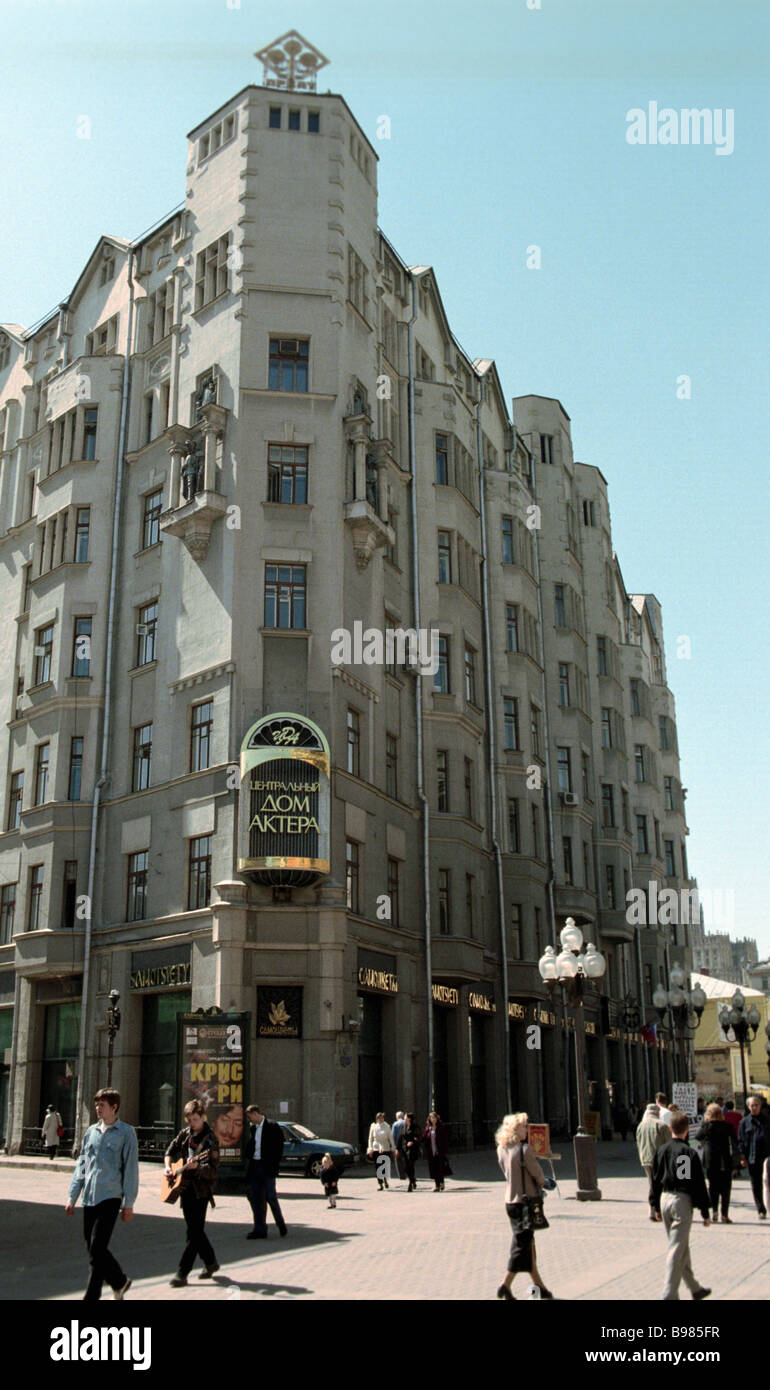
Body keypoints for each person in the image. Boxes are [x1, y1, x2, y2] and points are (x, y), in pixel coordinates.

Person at [65, 1088, 138, 1303]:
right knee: (94, 1249)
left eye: (102, 1105)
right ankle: (118, 1282)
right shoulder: (91, 1133)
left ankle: (93, 1295)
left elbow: (131, 1170)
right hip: (90, 1197)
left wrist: (129, 1203)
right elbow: (82, 1165)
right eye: (97, 1104)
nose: (98, 1108)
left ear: (114, 1107)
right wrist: (72, 1197)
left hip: (111, 1196)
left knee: (97, 1247)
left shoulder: (126, 1133)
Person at [651, 1112, 711, 1301]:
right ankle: (669, 1293)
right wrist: (704, 1209)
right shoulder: (686, 1152)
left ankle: (695, 1288)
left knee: (680, 1246)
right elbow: (693, 1183)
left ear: (670, 1129)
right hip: (680, 1201)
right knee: (677, 1248)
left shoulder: (661, 1150)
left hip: (664, 1198)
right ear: (687, 1130)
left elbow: (655, 1180)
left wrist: (655, 1205)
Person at [495, 1112, 554, 1300]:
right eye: (524, 1126)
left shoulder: (501, 1149)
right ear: (515, 1129)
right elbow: (538, 1176)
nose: (527, 1130)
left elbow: (507, 1173)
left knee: (528, 1244)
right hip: (526, 1202)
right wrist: (548, 1183)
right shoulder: (524, 1150)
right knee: (521, 1245)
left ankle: (540, 1287)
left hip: (510, 1201)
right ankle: (505, 1284)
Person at [164, 1099, 220, 1287]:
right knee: (194, 1230)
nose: (192, 1123)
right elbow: (169, 1151)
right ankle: (211, 1262)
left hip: (201, 1192)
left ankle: (182, 1273)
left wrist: (197, 1168)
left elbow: (213, 1171)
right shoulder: (185, 1134)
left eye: (195, 1119)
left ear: (202, 1117)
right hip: (184, 1189)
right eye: (189, 1120)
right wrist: (168, 1168)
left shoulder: (211, 1140)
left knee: (194, 1233)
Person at [243, 1103, 287, 1238]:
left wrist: (275, 1164)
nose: (249, 1121)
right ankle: (260, 1229)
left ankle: (281, 1224)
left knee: (270, 1197)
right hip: (255, 1166)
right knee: (256, 1198)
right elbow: (252, 1146)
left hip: (268, 1167)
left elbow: (279, 1146)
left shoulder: (272, 1126)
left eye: (250, 1118)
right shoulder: (253, 1129)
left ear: (256, 1114)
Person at [695, 1102, 737, 1223]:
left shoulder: (706, 1126)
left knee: (712, 1187)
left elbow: (697, 1137)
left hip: (710, 1159)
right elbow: (734, 1142)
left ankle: (714, 1211)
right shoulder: (728, 1126)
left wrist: (705, 1143)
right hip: (725, 1159)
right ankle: (725, 1215)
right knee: (726, 1188)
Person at [636, 1102, 670, 1220]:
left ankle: (651, 1210)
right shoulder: (662, 1125)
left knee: (651, 1183)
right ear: (657, 1112)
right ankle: (657, 1210)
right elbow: (669, 1144)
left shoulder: (640, 1125)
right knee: (659, 1185)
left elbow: (638, 1142)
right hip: (659, 1159)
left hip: (645, 1158)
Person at [737, 1094, 770, 1219]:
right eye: (752, 1105)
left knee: (768, 1182)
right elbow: (741, 1141)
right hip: (752, 1157)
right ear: (748, 1107)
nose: (754, 1107)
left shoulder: (767, 1120)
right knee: (756, 1184)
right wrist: (742, 1157)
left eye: (756, 1105)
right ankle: (760, 1208)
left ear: (760, 1106)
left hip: (767, 1157)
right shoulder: (744, 1123)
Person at [367, 1112, 396, 1190]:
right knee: (378, 1166)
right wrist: (370, 1148)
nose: (380, 1119)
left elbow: (391, 1138)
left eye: (381, 1118)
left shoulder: (387, 1126)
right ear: (376, 1119)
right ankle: (380, 1183)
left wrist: (393, 1148)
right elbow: (370, 1138)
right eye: (378, 1118)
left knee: (385, 1165)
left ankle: (385, 1179)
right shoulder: (373, 1126)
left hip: (385, 1147)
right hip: (376, 1147)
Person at [423, 1111, 451, 1192]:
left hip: (439, 1151)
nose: (433, 1119)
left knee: (440, 1168)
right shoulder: (428, 1128)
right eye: (431, 1118)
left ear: (437, 1118)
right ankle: (437, 1185)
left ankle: (441, 1182)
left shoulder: (441, 1127)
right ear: (429, 1119)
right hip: (431, 1151)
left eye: (434, 1118)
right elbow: (424, 1138)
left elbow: (445, 1139)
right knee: (434, 1168)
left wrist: (445, 1150)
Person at [399, 1113, 421, 1191]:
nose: (404, 1118)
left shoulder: (415, 1127)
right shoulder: (403, 1126)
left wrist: (412, 1142)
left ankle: (410, 1184)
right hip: (404, 1149)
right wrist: (397, 1149)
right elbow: (401, 1137)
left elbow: (418, 1137)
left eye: (405, 1117)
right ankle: (413, 1180)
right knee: (405, 1167)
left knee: (411, 1166)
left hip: (412, 1150)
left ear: (409, 1118)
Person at [391, 1111, 405, 1179]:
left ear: (397, 1117)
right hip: (405, 1145)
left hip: (397, 1145)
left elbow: (393, 1136)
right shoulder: (406, 1123)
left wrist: (393, 1147)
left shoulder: (395, 1124)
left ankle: (401, 1175)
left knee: (398, 1160)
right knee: (405, 1159)